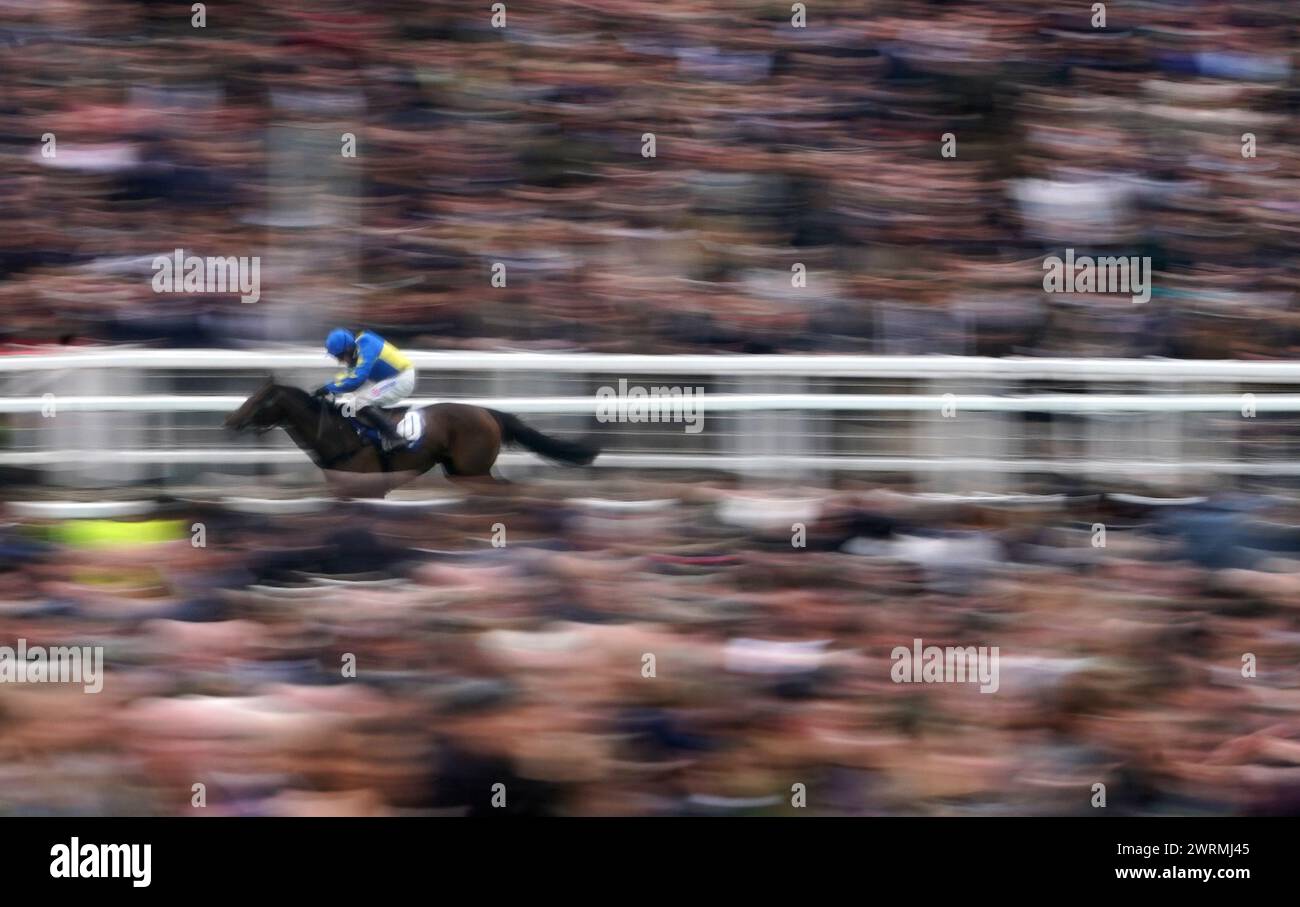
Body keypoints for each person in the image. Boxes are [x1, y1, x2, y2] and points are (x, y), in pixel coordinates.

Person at [314, 328, 416, 449]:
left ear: (347, 349)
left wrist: (330, 388)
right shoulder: (355, 352)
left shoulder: (366, 343)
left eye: (339, 357)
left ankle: (395, 438)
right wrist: (327, 386)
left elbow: (357, 380)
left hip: (401, 378)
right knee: (351, 404)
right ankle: (369, 434)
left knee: (362, 400)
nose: (340, 361)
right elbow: (346, 376)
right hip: (386, 380)